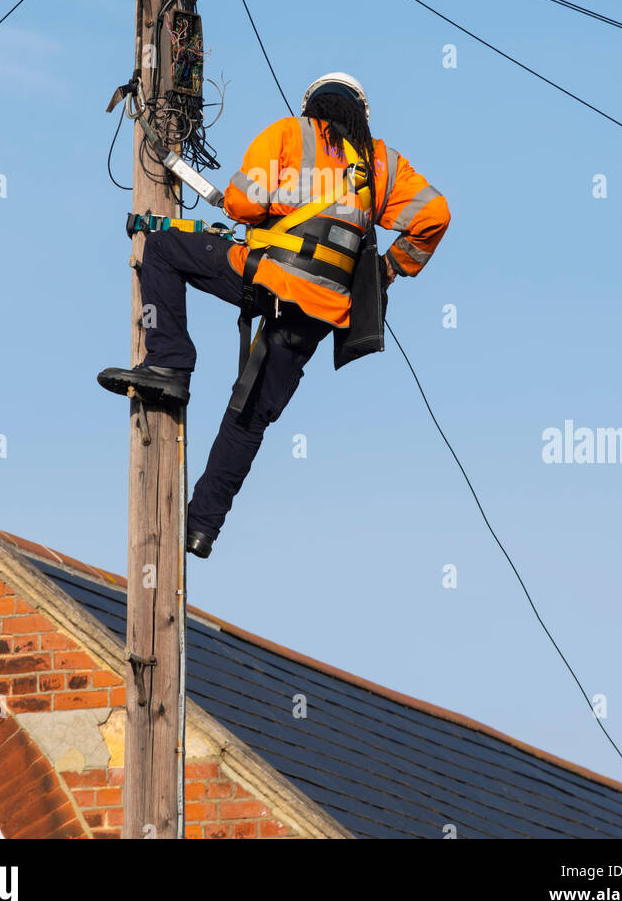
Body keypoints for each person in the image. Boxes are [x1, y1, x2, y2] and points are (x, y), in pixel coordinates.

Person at [97, 72, 450, 557]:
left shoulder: (288, 134)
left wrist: (276, 208)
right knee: (250, 414)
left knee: (160, 248)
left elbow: (242, 203)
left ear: (311, 108)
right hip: (321, 311)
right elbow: (436, 215)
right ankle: (201, 527)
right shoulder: (381, 162)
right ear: (361, 115)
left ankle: (170, 362)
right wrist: (391, 267)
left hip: (265, 277)